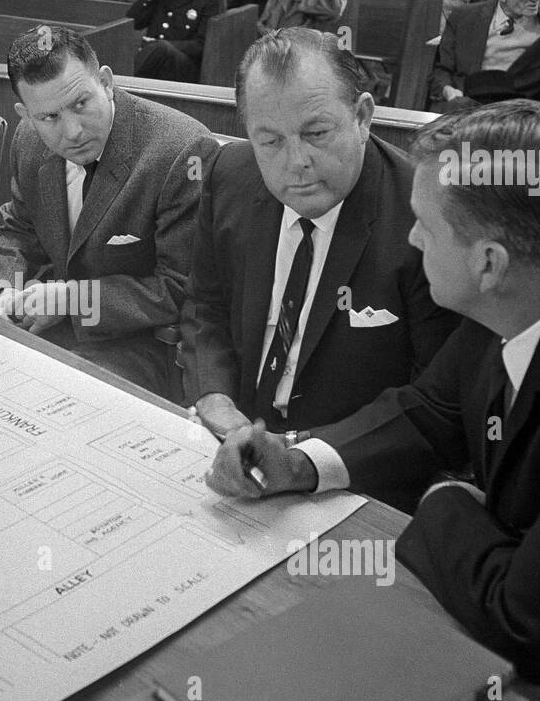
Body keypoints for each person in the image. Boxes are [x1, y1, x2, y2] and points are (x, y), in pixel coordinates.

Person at [207, 100, 540, 683]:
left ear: (489, 263)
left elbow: (534, 627)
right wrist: (299, 462)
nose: (411, 238)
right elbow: (432, 407)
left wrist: (443, 497)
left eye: (426, 225)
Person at [183, 29, 457, 448]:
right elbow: (207, 306)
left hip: (348, 464)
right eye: (270, 141)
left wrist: (302, 456)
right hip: (232, 438)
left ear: (362, 117)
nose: (296, 163)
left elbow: (430, 402)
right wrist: (214, 398)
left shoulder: (424, 218)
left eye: (316, 134)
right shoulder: (229, 175)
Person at [0, 26, 218, 399]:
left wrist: (73, 300)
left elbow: (178, 289)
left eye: (81, 104)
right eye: (49, 118)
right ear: (24, 114)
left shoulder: (182, 150)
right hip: (44, 319)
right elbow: (19, 230)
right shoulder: (27, 139)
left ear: (106, 82)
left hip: (135, 342)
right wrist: (6, 294)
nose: (72, 132)